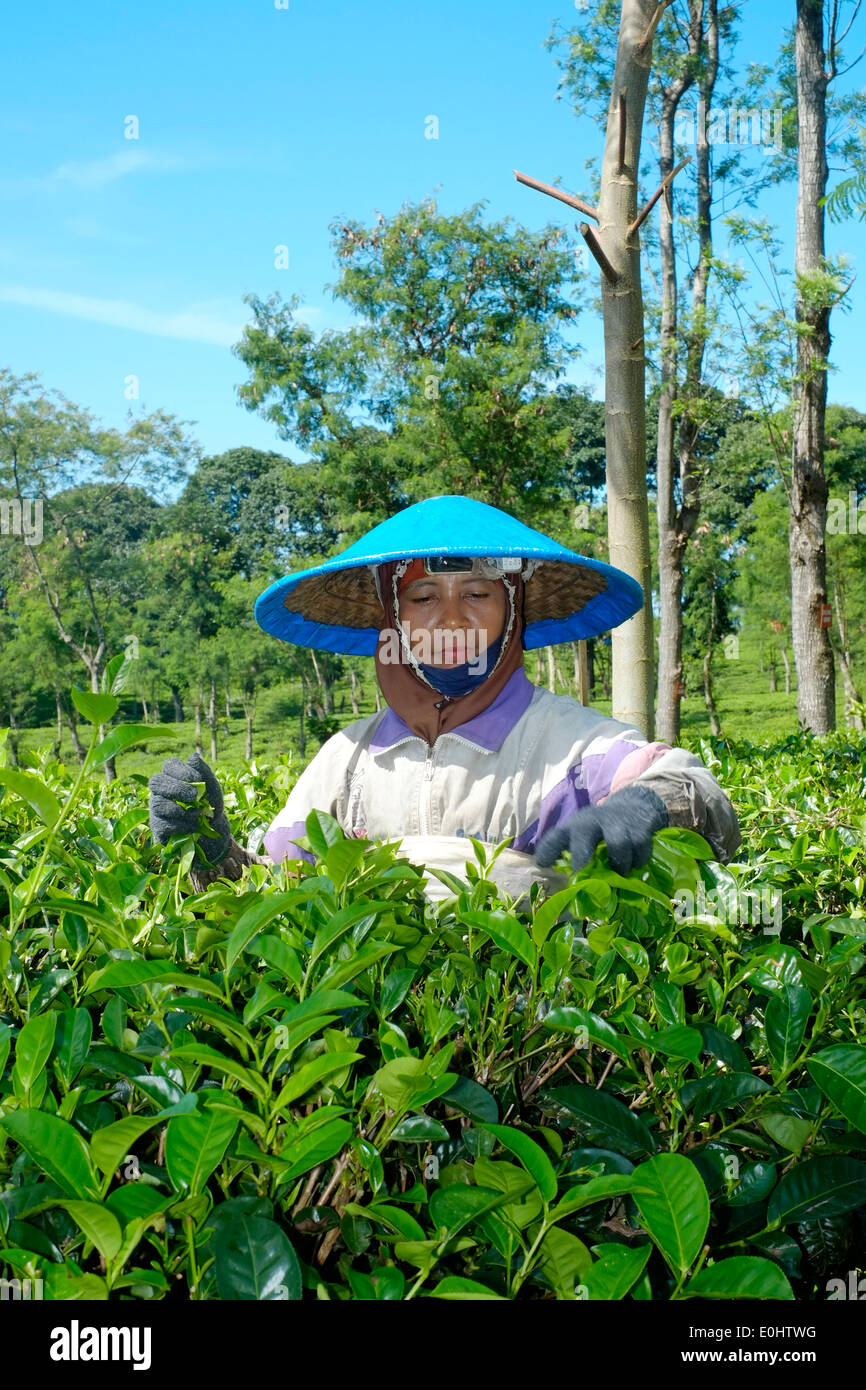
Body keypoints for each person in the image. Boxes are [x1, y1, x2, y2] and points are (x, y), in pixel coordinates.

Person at [149, 495, 741, 905]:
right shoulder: (347, 760)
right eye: (424, 597)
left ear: (513, 611)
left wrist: (647, 804)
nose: (451, 619)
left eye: (479, 592)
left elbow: (698, 791)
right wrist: (211, 849)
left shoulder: (573, 747)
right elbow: (273, 893)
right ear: (394, 616)